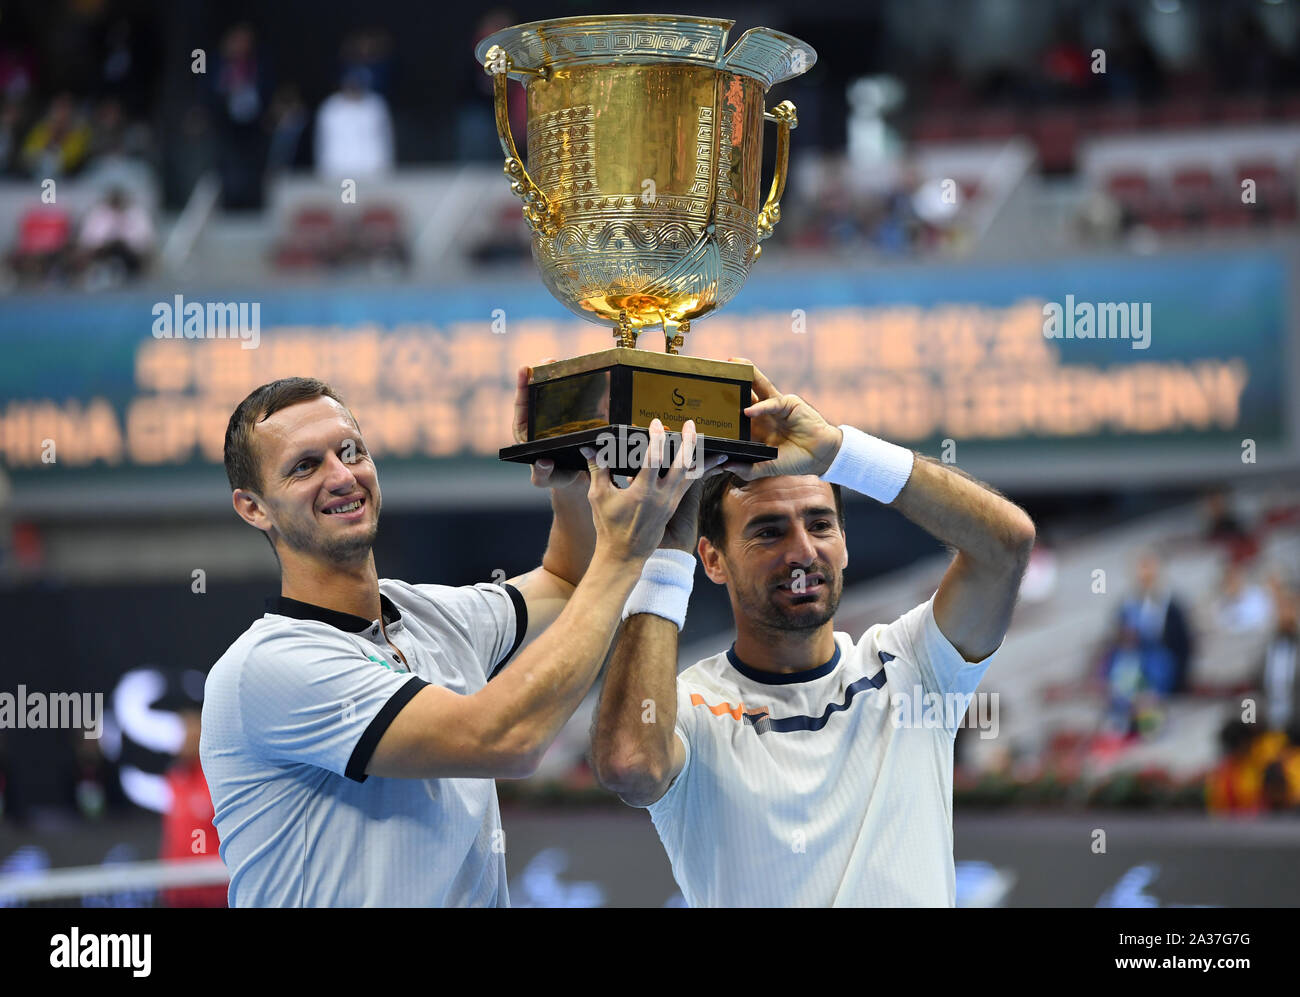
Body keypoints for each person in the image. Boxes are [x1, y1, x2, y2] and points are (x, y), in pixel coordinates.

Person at [201, 374, 710, 906]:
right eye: (305, 466)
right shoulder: (268, 666)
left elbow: (565, 584)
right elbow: (504, 740)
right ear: (253, 507)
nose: (341, 475)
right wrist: (624, 554)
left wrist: (571, 473)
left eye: (351, 451)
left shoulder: (424, 614)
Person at [591, 362, 1035, 906]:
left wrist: (841, 453)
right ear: (712, 559)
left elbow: (1006, 544)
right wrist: (663, 556)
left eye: (820, 524)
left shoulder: (913, 665)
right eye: (769, 532)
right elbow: (631, 766)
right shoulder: (687, 707)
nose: (803, 551)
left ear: (844, 543)